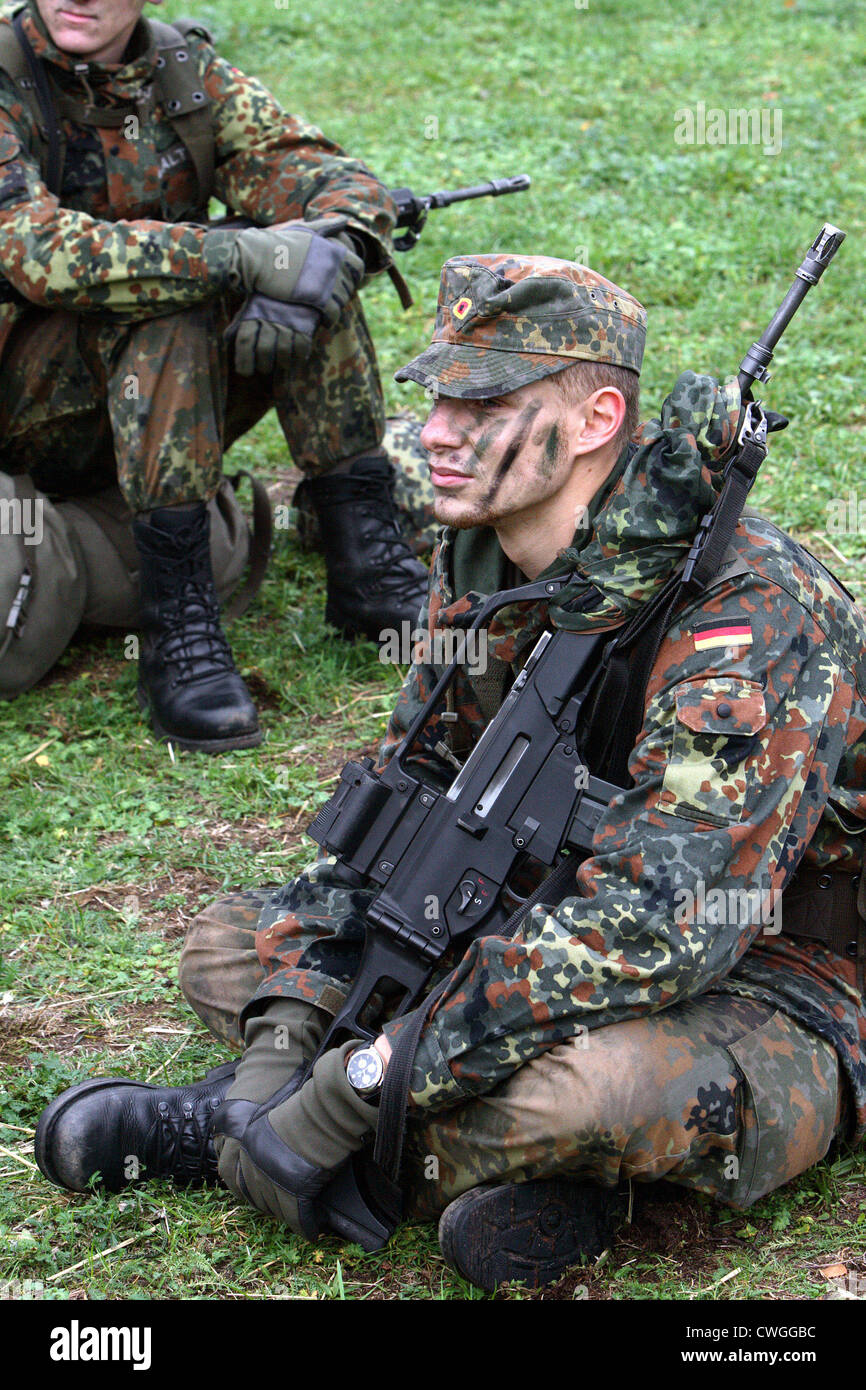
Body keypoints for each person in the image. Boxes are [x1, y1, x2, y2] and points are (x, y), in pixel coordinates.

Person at [34, 254, 866, 1292]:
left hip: (765, 976)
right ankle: (363, 1145)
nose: (434, 429)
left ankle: (244, 1140)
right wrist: (290, 1033)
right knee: (227, 952)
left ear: (597, 417)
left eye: (481, 402)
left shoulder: (752, 613)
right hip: (531, 913)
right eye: (437, 395)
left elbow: (666, 925)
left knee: (570, 1097)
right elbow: (400, 802)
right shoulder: (483, 569)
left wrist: (372, 1069)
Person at [0, 0, 431, 751]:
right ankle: (179, 628)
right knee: (177, 300)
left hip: (157, 403)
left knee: (309, 272)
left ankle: (370, 570)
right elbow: (36, 252)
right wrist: (241, 257)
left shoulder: (181, 72)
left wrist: (316, 262)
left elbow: (331, 178)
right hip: (29, 408)